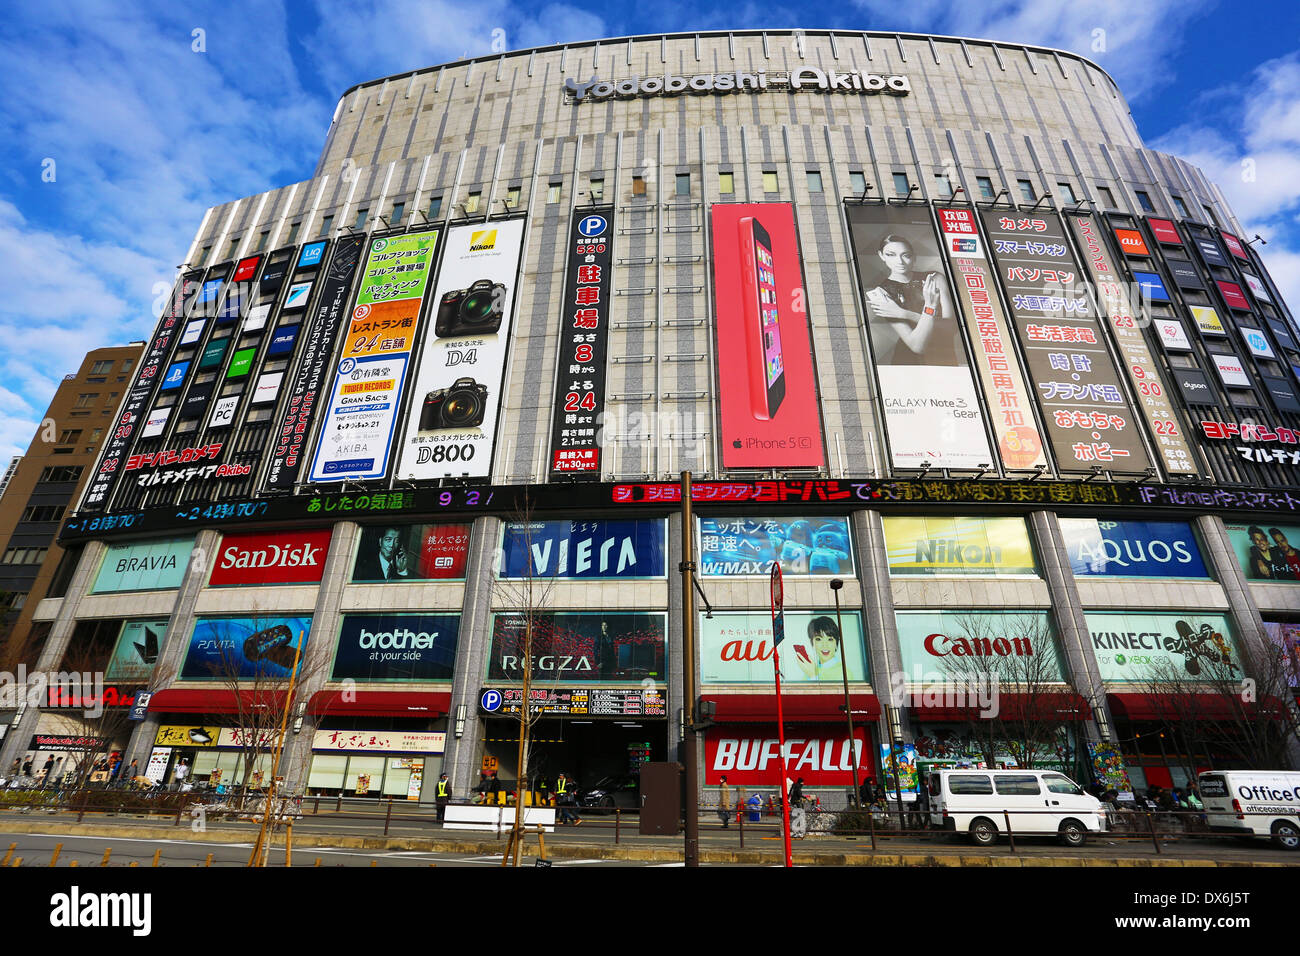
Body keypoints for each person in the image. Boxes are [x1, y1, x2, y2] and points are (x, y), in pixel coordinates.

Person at [862, 233, 961, 367]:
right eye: (891, 255)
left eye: (906, 255)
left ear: (914, 257)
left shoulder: (934, 279)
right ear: (881, 256)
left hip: (944, 356)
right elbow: (917, 346)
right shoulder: (880, 294)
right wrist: (930, 309)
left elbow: (951, 327)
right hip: (908, 362)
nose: (899, 261)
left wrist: (905, 314)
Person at [791, 616, 844, 681]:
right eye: (819, 639)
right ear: (812, 643)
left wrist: (812, 675)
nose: (825, 645)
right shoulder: (811, 669)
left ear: (836, 642)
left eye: (830, 639)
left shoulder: (844, 673)